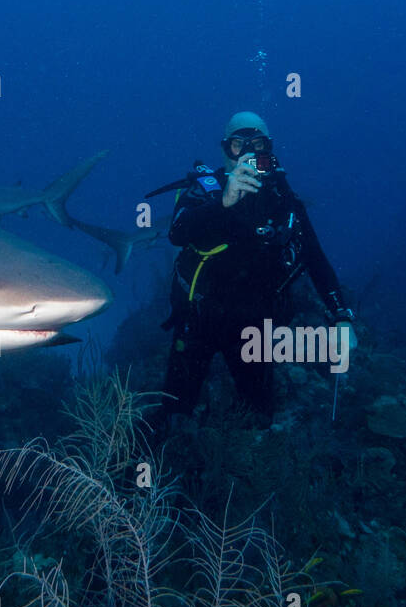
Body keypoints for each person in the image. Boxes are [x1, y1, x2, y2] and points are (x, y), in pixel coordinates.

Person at [151, 112, 354, 429]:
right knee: (173, 414)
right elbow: (177, 233)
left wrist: (340, 315)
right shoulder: (205, 189)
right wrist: (223, 202)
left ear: (268, 149)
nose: (247, 152)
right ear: (225, 150)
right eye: (237, 144)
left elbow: (315, 257)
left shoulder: (283, 201)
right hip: (198, 319)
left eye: (257, 144)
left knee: (258, 419)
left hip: (254, 328)